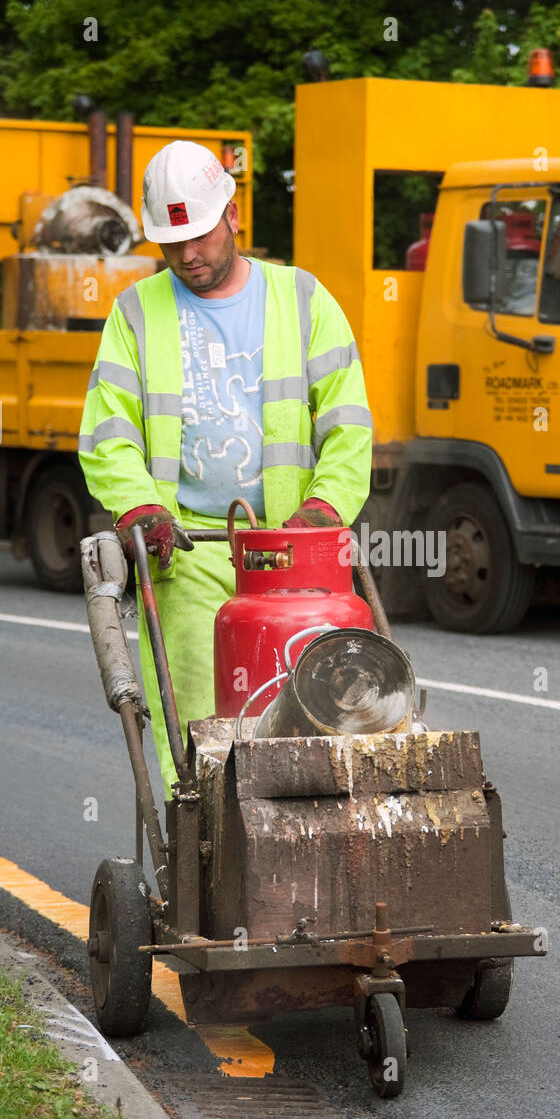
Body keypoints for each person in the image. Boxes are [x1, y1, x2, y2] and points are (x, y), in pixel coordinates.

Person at [79, 140, 373, 794]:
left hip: (292, 549)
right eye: (171, 241)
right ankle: (199, 853)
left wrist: (323, 509)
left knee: (315, 711)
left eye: (200, 235)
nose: (188, 254)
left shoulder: (303, 300)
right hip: (185, 547)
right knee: (196, 717)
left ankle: (313, 838)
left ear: (233, 215)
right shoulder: (135, 313)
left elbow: (348, 423)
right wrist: (139, 509)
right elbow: (109, 431)